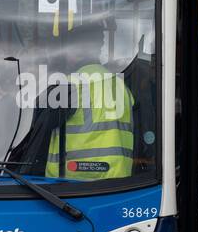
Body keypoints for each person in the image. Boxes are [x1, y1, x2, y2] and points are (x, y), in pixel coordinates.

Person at [45, 24, 134, 181]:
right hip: (118, 178)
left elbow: (40, 132)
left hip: (71, 181)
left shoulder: (69, 85)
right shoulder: (121, 86)